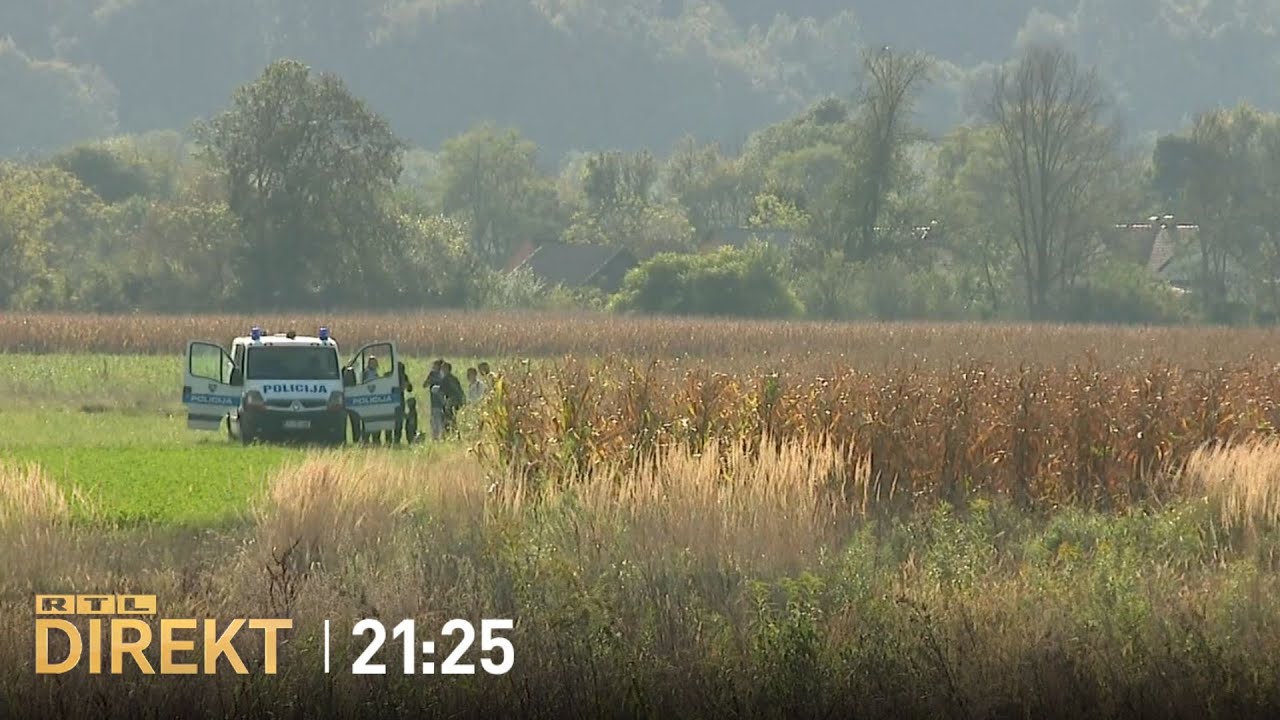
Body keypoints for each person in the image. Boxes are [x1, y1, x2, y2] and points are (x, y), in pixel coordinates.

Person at [439, 362, 466, 438]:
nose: (442, 370)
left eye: (443, 368)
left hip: (451, 400)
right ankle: (455, 434)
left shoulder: (445, 379)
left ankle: (448, 435)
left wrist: (444, 402)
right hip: (457, 401)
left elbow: (442, 392)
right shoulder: (454, 378)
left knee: (448, 418)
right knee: (453, 418)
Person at [394, 360, 417, 444]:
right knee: (396, 421)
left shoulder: (404, 376)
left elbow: (410, 388)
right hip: (394, 398)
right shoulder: (392, 376)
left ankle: (397, 439)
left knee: (399, 420)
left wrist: (406, 385)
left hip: (400, 398)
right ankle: (396, 438)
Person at [425, 359, 445, 441]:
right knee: (436, 420)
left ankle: (438, 437)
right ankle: (436, 437)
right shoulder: (434, 374)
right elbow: (425, 384)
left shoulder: (440, 375)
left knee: (438, 420)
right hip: (435, 401)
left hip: (440, 401)